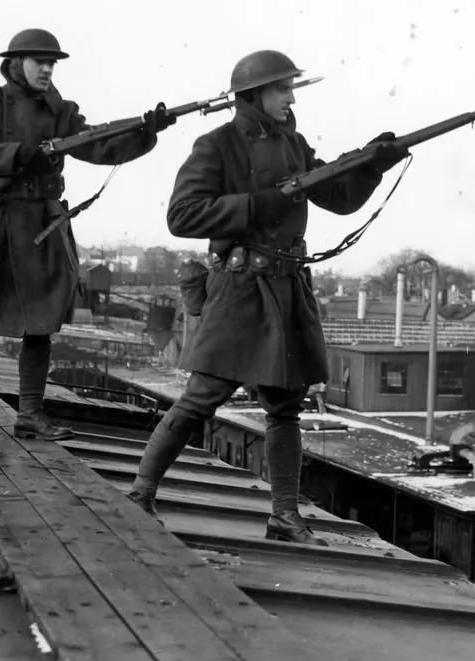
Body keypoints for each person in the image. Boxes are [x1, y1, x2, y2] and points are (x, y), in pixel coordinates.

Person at [127, 50, 408, 545]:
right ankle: (140, 496)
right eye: (283, 89)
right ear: (255, 94)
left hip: (285, 290)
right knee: (201, 398)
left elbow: (337, 199)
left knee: (285, 406)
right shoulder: (216, 145)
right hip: (239, 289)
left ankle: (283, 516)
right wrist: (259, 204)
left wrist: (371, 165)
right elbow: (183, 215)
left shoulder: (294, 143)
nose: (292, 97)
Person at [0, 28, 175, 441]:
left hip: (43, 224)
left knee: (42, 323)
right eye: (40, 62)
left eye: (53, 63)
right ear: (15, 64)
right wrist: (17, 154)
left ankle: (30, 414)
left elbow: (98, 146)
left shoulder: (59, 109)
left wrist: (146, 132)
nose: (48, 69)